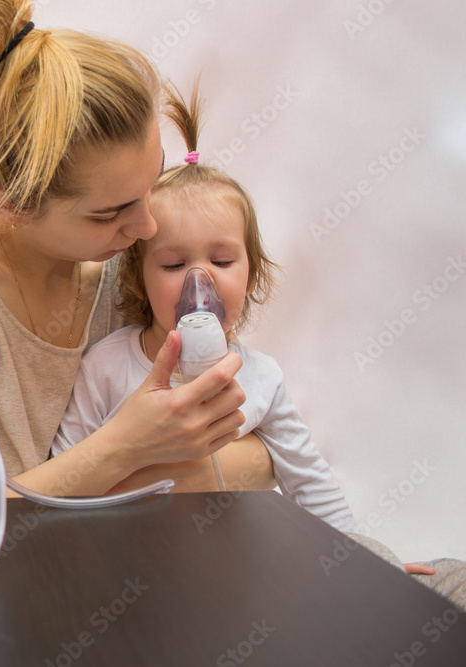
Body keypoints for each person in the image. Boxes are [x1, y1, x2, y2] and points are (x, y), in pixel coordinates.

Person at [0, 0, 276, 497]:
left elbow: (262, 457)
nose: (147, 227)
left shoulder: (131, 267)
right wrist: (123, 450)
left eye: (152, 183)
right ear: (12, 204)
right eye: (110, 213)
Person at [52, 80, 355, 531]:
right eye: (174, 264)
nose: (201, 282)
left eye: (222, 260)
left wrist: (361, 556)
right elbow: (68, 473)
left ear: (252, 273)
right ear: (138, 278)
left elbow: (310, 480)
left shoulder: (263, 378)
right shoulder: (106, 367)